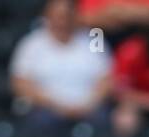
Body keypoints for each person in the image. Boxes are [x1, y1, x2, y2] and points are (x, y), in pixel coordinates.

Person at [10, 0, 113, 128]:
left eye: (67, 16)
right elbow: (20, 84)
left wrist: (89, 104)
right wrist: (56, 106)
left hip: (89, 109)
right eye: (57, 16)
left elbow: (106, 79)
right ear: (47, 16)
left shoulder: (94, 40)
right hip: (47, 109)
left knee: (106, 120)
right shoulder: (31, 44)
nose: (62, 21)